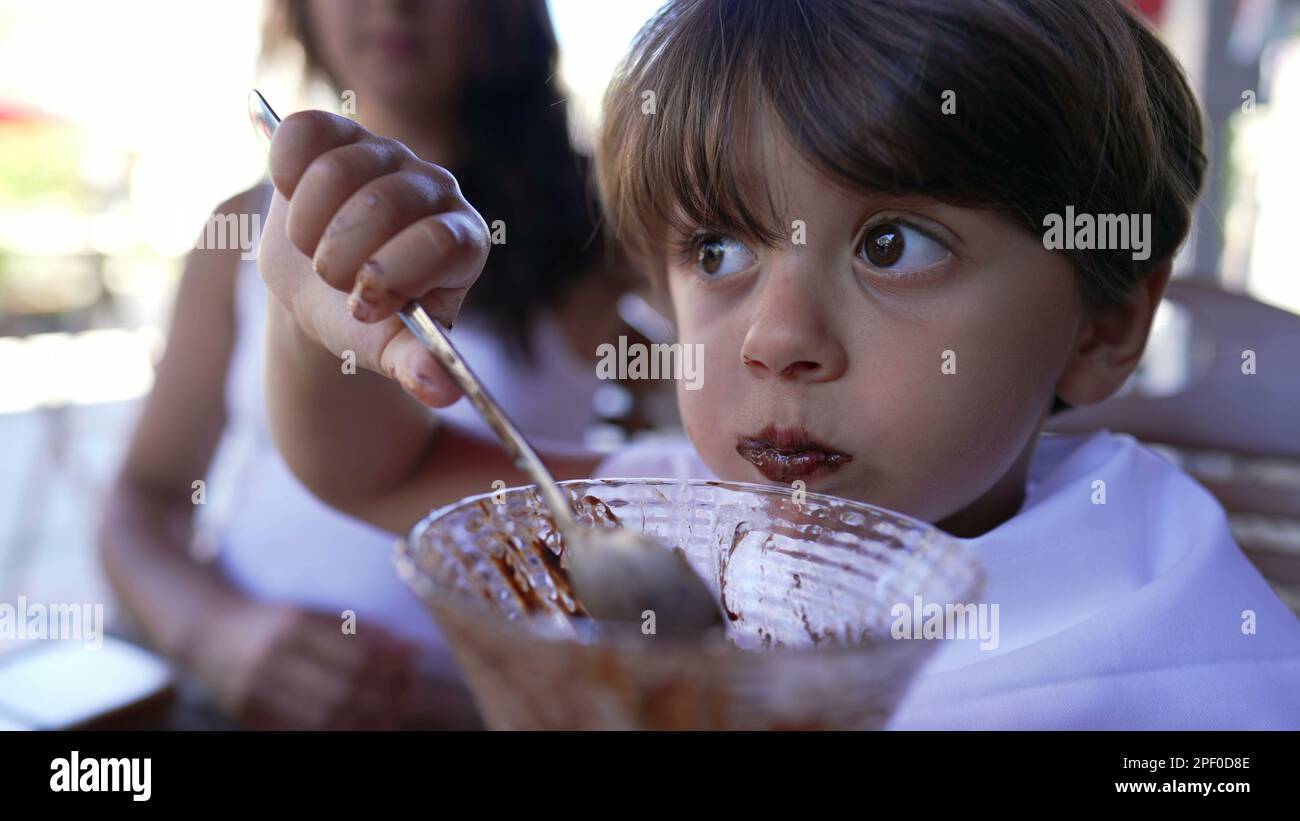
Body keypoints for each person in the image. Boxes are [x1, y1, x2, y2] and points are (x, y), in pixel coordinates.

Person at [254, 0, 1300, 728]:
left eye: (892, 244)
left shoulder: (1166, 620)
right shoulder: (674, 529)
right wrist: (325, 321)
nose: (774, 336)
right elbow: (375, 469)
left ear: (1102, 325)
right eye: (718, 250)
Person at [99, 0, 630, 730]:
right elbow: (142, 499)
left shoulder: (598, 233)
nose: (392, 6)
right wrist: (218, 634)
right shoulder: (239, 230)